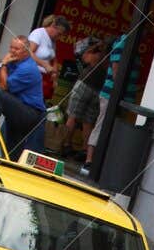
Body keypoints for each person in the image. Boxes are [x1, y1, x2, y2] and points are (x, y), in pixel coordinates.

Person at [84, 28, 140, 174]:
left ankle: (102, 162)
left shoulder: (133, 44)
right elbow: (116, 70)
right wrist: (118, 93)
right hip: (113, 95)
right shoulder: (122, 42)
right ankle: (89, 161)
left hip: (124, 96)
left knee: (115, 128)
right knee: (102, 124)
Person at [0, 32, 46, 160]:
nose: (12, 51)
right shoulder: (15, 60)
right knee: (8, 153)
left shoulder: (27, 68)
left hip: (31, 114)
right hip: (19, 109)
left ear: (27, 51)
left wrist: (4, 65)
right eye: (11, 47)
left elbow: (3, 86)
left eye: (16, 49)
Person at [60, 35, 107, 159]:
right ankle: (84, 149)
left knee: (73, 116)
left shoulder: (93, 52)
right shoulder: (109, 56)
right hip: (98, 88)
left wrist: (90, 49)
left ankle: (65, 144)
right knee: (88, 121)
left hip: (85, 83)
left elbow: (82, 56)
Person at [28, 12, 69, 98]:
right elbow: (28, 53)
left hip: (44, 78)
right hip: (32, 74)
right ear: (53, 26)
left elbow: (54, 59)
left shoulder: (53, 41)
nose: (59, 37)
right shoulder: (38, 33)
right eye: (59, 34)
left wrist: (54, 76)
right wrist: (44, 64)